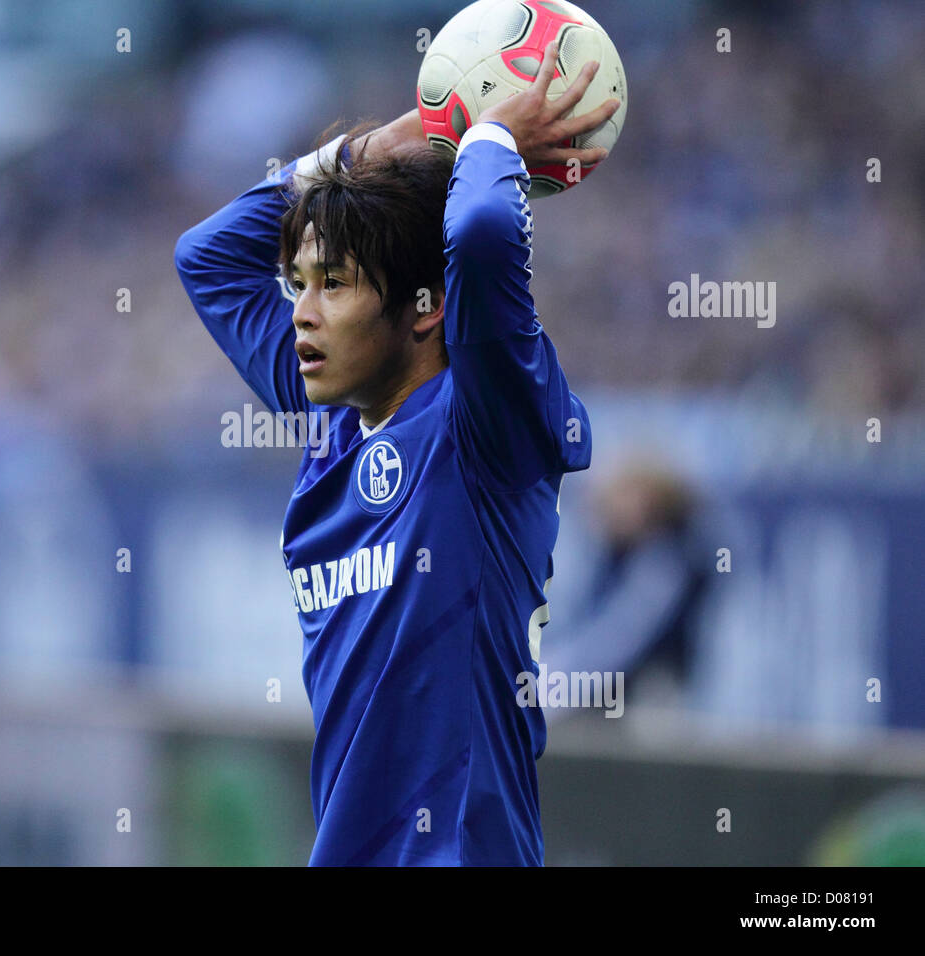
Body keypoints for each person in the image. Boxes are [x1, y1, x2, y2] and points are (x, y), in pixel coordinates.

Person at [175, 42, 619, 865]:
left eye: (334, 283)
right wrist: (390, 143)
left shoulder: (486, 426)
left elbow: (484, 232)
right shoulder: (332, 421)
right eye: (297, 283)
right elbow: (205, 256)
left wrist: (489, 138)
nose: (302, 312)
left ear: (425, 309)